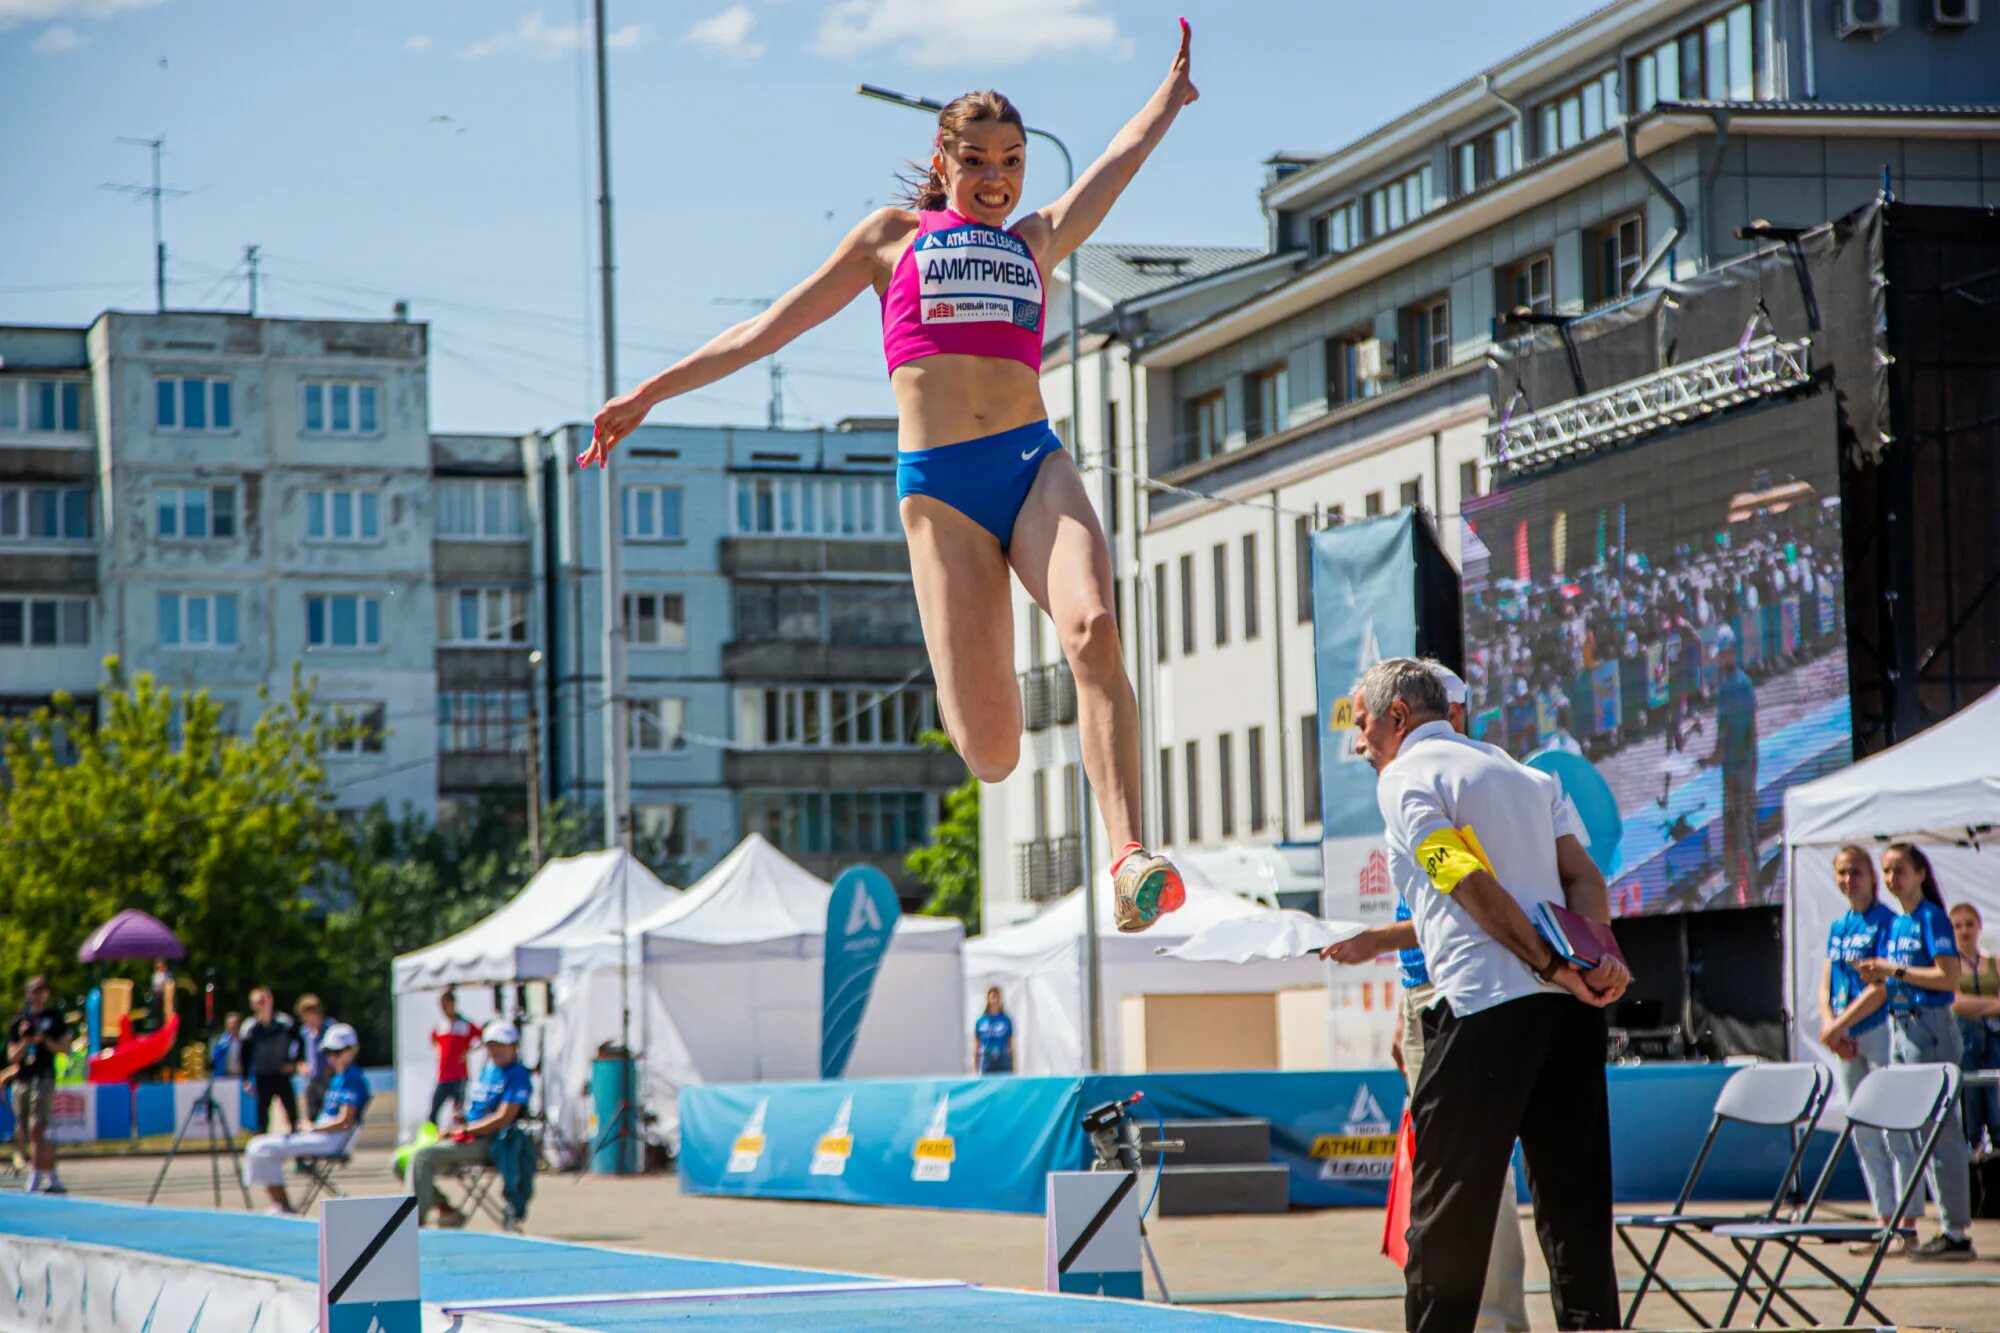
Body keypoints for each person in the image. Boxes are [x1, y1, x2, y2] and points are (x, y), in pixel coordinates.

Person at [580, 22, 1202, 934]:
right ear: (943, 161)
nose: (998, 178)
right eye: (979, 160)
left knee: (1096, 626)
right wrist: (649, 394)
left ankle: (1128, 854)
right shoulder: (891, 240)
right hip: (944, 494)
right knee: (991, 753)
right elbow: (769, 327)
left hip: (1035, 462)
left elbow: (1115, 162)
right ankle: (958, 689)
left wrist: (1169, 99)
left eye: (1014, 161)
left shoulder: (1037, 241)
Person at [1348, 658, 1627, 1333]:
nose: (1358, 742)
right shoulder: (1529, 775)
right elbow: (1584, 878)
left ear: (1398, 718)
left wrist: (1548, 962)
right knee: (1577, 1214)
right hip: (1568, 1017)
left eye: (1361, 725)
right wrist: (1596, 956)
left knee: (1447, 1217)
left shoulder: (1405, 777)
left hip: (1482, 1009)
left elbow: (1463, 879)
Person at [1856, 843, 1974, 1260]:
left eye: (1899, 870)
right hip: (1901, 1028)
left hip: (1931, 1028)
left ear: (1921, 872)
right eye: (1886, 871)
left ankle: (1956, 1232)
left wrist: (1893, 970)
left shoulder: (1931, 917)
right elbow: (1889, 984)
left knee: (1942, 1132)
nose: (1891, 880)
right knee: (1916, 1133)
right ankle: (1927, 1227)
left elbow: (1948, 978)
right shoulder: (1899, 924)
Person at [1816, 846, 1901, 1243]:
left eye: (1856, 872)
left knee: (1893, 1126)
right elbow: (1828, 979)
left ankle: (1906, 1220)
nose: (1849, 880)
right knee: (1862, 1129)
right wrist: (1830, 1026)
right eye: (1842, 873)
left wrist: (1840, 1026)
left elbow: (1881, 987)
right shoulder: (1839, 926)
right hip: (1845, 1036)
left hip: (1876, 1029)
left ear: (1871, 876)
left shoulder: (1888, 922)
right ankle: (1883, 1216)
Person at [406, 1020, 532, 1228]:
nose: (495, 1050)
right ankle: (447, 1210)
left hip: (492, 1142)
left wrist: (463, 1129)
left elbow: (503, 1118)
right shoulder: (489, 1070)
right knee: (403, 1160)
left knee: (422, 1157)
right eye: (491, 1045)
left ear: (514, 1046)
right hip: (469, 1136)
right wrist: (462, 1120)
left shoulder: (517, 1074)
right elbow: (479, 1111)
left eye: (501, 1045)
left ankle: (414, 1222)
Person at [240, 1023, 368, 1215]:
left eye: (336, 1052)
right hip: (324, 1135)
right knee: (258, 1146)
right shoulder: (338, 1077)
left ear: (351, 1050)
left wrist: (313, 1129)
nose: (331, 1057)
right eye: (328, 1052)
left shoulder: (352, 1078)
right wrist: (311, 1127)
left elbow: (345, 1121)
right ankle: (281, 1205)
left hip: (332, 1140)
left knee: (261, 1148)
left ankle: (282, 1207)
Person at [1700, 625, 1759, 906]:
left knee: (1736, 831)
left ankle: (1740, 892)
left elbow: (1725, 739)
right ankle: (1752, 887)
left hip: (1734, 773)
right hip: (1746, 769)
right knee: (1749, 829)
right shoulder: (1746, 683)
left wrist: (1707, 760)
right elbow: (1753, 732)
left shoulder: (1728, 689)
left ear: (1728, 652)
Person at [7, 978, 69, 1194]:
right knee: (27, 1128)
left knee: (38, 1128)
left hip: (43, 1076)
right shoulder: (19, 1021)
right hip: (24, 1078)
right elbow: (13, 1056)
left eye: (41, 991)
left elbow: (65, 1047)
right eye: (34, 991)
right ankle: (50, 1175)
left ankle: (36, 1175)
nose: (38, 995)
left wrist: (44, 1040)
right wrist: (26, 1040)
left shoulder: (54, 1017)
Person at [1949, 902, 2000, 1154]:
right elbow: (1956, 1003)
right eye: (1957, 926)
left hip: (1993, 1040)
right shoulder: (1949, 966)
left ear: (1979, 926)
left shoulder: (1993, 964)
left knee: (1995, 1105)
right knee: (1969, 1108)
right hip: (1964, 1040)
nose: (1964, 931)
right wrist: (1994, 1004)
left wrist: (1976, 1006)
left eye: (1969, 924)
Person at [237, 987, 305, 1135]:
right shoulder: (249, 1028)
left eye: (264, 1000)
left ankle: (299, 1146)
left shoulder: (284, 1022)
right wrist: (245, 1079)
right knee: (262, 1115)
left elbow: (300, 1041)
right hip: (262, 1075)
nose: (262, 1005)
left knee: (292, 1112)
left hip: (282, 1073)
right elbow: (244, 1055)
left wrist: (294, 1062)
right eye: (258, 1002)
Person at [430, 988, 482, 1127]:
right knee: (433, 1112)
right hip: (443, 1075)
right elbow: (433, 1040)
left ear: (453, 1003)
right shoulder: (441, 1025)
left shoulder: (464, 1024)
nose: (443, 1007)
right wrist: (440, 1051)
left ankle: (458, 1138)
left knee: (458, 1112)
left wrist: (467, 1051)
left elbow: (482, 1037)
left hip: (459, 1075)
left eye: (446, 1003)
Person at [296, 995, 331, 1120]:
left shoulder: (330, 1028)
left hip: (328, 1078)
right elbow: (296, 1056)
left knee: (328, 1111)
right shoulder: (304, 1032)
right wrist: (301, 1066)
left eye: (305, 1015)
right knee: (312, 1113)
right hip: (312, 1079)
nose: (303, 1019)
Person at [974, 987, 1015, 1075]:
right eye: (993, 996)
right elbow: (976, 1044)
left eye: (997, 997)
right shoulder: (981, 1021)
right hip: (987, 1058)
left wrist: (1013, 1065)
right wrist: (975, 1066)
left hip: (1002, 1058)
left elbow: (1010, 1044)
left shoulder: (1006, 1020)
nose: (995, 1000)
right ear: (988, 999)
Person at [211, 1011, 243, 1079]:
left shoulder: (243, 1041)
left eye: (235, 1023)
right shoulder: (220, 1042)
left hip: (241, 1076)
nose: (232, 1026)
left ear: (239, 1024)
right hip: (225, 1077)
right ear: (226, 1025)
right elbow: (214, 1060)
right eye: (230, 1023)